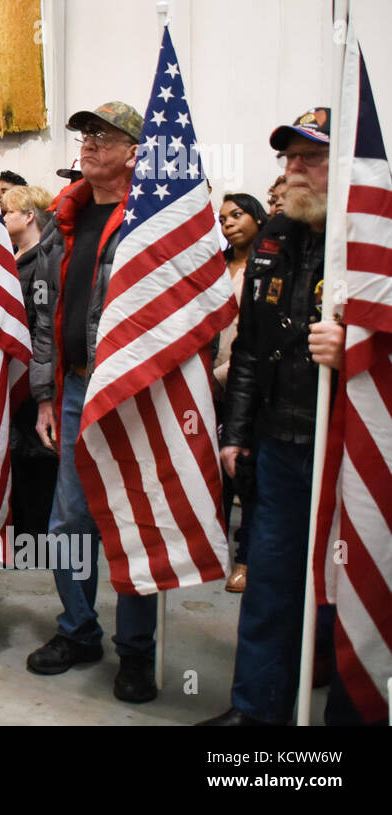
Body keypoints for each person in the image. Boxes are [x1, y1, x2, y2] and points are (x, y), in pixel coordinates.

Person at [201, 107, 355, 727]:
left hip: (348, 451)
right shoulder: (273, 240)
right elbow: (249, 353)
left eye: (309, 158)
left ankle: (352, 716)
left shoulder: (369, 240)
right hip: (279, 447)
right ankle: (256, 715)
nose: (294, 170)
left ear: (343, 166)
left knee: (351, 593)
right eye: (288, 159)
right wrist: (236, 434)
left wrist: (360, 351)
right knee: (267, 587)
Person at [26, 101, 160, 703]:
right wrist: (48, 396)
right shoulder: (64, 219)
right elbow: (46, 318)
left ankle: (137, 653)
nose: (88, 143)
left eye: (103, 136)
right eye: (84, 133)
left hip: (132, 388)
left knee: (131, 522)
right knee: (67, 521)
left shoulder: (154, 218)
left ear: (134, 151)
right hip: (77, 386)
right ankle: (79, 630)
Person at [214, 192, 268, 593]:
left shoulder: (269, 266)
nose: (229, 223)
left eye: (237, 215)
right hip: (212, 381)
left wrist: (233, 370)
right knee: (216, 474)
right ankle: (214, 550)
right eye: (223, 218)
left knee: (246, 474)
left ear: (257, 217)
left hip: (248, 382)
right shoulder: (217, 268)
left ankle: (247, 560)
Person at [2, 184, 58, 541]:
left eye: (8, 211)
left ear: (29, 216)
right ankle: (19, 530)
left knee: (36, 458)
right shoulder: (11, 257)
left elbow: (42, 324)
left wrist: (40, 381)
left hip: (33, 371)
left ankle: (35, 538)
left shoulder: (43, 261)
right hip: (10, 371)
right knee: (17, 457)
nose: (2, 216)